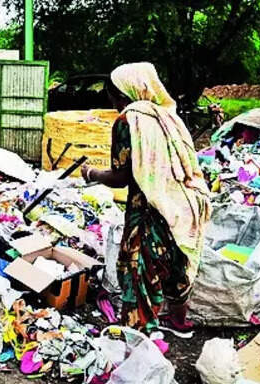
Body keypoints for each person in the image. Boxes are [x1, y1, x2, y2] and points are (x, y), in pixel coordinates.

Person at [82, 63, 211, 337]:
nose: (113, 103)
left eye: (113, 96)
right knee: (177, 262)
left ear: (122, 94)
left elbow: (122, 177)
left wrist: (92, 173)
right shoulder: (169, 117)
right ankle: (180, 322)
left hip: (149, 209)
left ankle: (139, 337)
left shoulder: (128, 122)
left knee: (138, 268)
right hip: (182, 203)